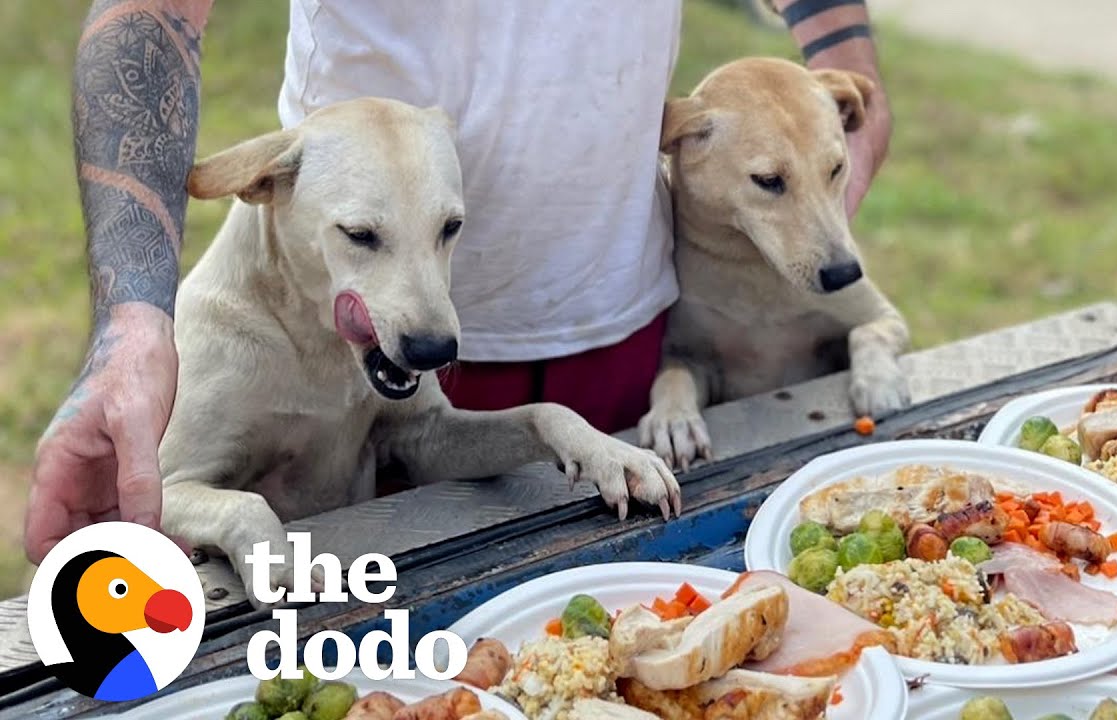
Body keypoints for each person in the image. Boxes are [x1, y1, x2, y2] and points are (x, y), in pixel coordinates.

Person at [25, 0, 892, 564]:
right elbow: (152, 16)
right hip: (340, 325)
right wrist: (135, 320)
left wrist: (843, 62)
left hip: (620, 308)